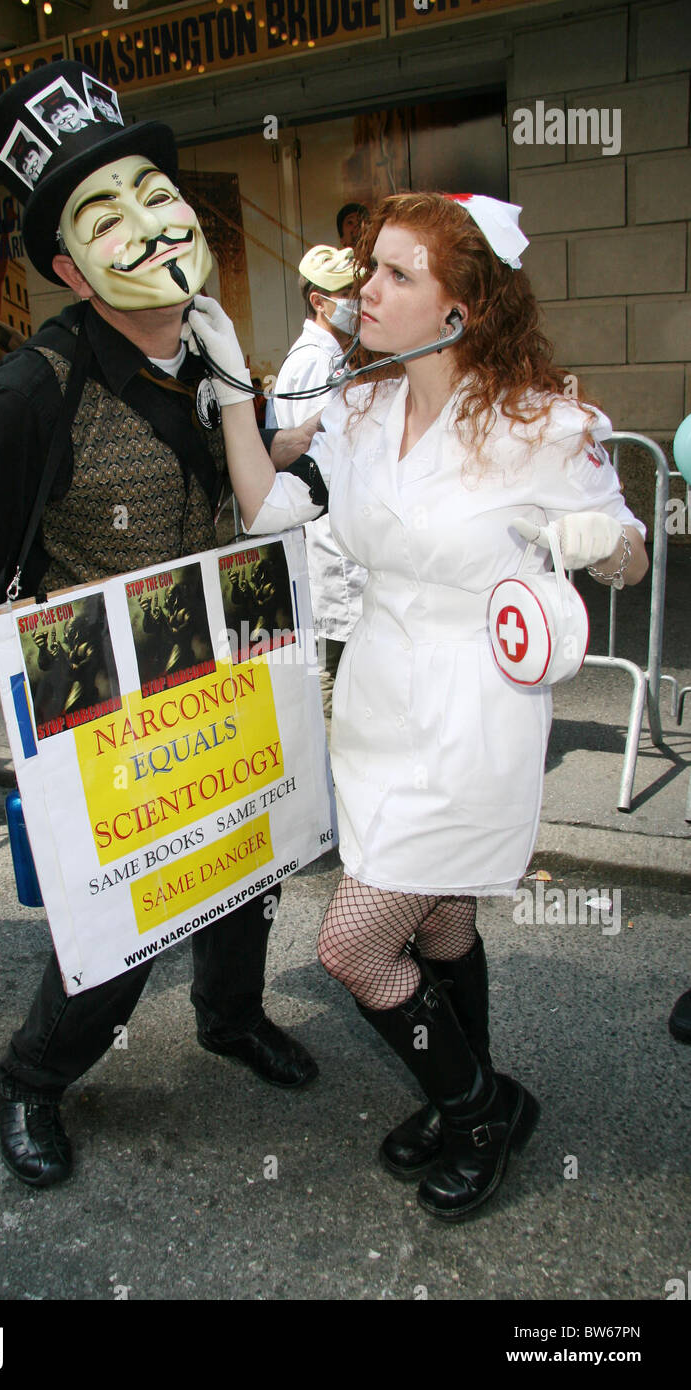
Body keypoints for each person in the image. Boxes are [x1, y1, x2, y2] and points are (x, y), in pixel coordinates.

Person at [185, 190, 649, 1221]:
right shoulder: (355, 409)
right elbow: (266, 504)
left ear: (459, 306)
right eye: (368, 269)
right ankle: (462, 1101)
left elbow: (627, 546)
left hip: (474, 709)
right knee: (437, 919)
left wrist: (590, 544)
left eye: (396, 275)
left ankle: (480, 1108)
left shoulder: (541, 424)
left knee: (350, 947)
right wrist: (227, 387)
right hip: (382, 698)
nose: (366, 291)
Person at [0, 61, 318, 1189]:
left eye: (155, 194)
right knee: (117, 939)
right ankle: (34, 1075)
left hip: (226, 677)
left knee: (245, 872)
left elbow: (273, 496)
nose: (147, 227)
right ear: (63, 267)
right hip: (102, 707)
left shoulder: (219, 356)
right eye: (103, 215)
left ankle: (231, 1016)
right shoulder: (30, 393)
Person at [267, 245, 367, 730]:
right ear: (319, 302)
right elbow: (305, 445)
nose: (357, 300)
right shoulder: (312, 360)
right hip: (329, 531)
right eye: (346, 293)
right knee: (335, 662)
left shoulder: (336, 352)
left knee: (349, 656)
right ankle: (331, 768)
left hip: (343, 528)